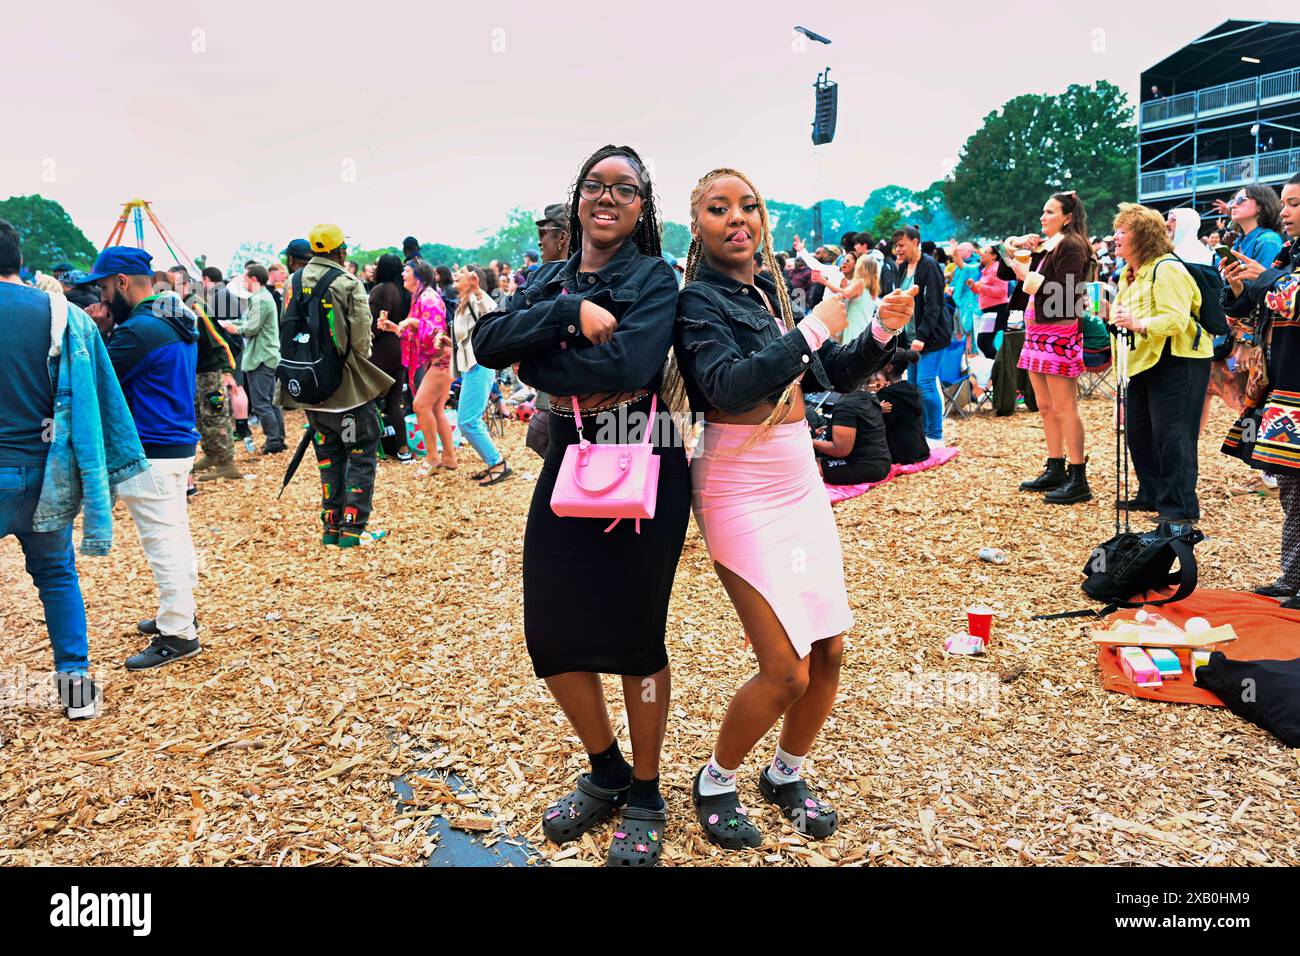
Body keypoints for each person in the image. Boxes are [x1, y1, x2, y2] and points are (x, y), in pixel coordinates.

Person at [672, 168, 915, 851]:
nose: (737, 218)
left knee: (830, 647)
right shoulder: (698, 303)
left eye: (748, 205)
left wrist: (877, 336)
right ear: (699, 226)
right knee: (785, 667)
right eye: (719, 209)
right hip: (736, 485)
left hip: (796, 480)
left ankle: (787, 774)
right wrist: (811, 328)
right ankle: (716, 780)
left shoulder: (763, 292)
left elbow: (828, 372)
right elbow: (727, 382)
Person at [471, 144, 688, 867]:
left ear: (641, 207)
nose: (607, 197)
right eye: (596, 185)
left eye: (624, 189)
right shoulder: (552, 279)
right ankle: (607, 769)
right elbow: (487, 341)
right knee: (552, 635)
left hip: (644, 448)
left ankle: (649, 792)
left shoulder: (656, 277)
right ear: (579, 195)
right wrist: (568, 311)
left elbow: (628, 365)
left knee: (634, 634)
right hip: (571, 453)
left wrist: (538, 353)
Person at [0, 222, 146, 717]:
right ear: (18, 259)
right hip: (48, 473)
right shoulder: (63, 316)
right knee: (57, 577)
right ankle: (77, 689)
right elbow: (101, 393)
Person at [88, 246, 203, 670]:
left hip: (151, 450)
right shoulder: (177, 315)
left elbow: (98, 382)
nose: (100, 297)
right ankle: (180, 610)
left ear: (121, 282)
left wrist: (99, 333)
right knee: (175, 532)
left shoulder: (137, 331)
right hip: (177, 443)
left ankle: (178, 633)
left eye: (102, 286)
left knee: (162, 542)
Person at [281, 224, 395, 547]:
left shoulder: (293, 281)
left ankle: (330, 528)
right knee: (359, 452)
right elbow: (361, 342)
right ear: (339, 251)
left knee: (328, 455)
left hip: (309, 390)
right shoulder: (348, 283)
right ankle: (353, 530)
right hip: (345, 393)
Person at [1221, 172, 1300, 608]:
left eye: (1293, 204)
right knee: (1290, 486)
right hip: (1284, 383)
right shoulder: (1289, 254)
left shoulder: (1279, 259)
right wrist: (1239, 285)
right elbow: (1261, 307)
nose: (1285, 212)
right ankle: (1292, 576)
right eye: (1284, 203)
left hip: (1295, 384)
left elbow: (1289, 298)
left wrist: (1264, 279)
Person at [1109, 203, 1212, 526]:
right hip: (1144, 360)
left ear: (1143, 237)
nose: (1115, 237)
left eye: (1122, 231)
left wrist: (1138, 322)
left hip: (1179, 359)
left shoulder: (1167, 269)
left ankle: (1178, 507)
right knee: (1139, 432)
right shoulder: (1132, 273)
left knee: (1173, 434)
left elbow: (1176, 319)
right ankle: (1151, 493)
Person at [1011, 191, 1096, 504]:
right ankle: (1056, 466)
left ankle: (1078, 476)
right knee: (1045, 405)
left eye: (1050, 212)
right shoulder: (1052, 245)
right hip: (1039, 334)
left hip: (1058, 334)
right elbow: (1009, 257)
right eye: (1043, 211)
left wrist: (1028, 278)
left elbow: (1067, 292)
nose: (1043, 217)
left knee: (1063, 407)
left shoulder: (1072, 246)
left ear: (1068, 216)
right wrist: (1019, 246)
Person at [380, 260, 455, 475]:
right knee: (435, 409)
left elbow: (435, 334)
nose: (403, 273)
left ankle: (432, 458)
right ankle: (449, 457)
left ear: (419, 275)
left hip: (441, 361)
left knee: (421, 406)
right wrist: (394, 327)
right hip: (440, 361)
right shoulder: (420, 297)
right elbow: (416, 337)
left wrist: (412, 322)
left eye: (407, 270)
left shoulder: (428, 297)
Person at [169, 267, 240, 482]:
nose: (172, 290)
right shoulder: (178, 307)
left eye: (177, 286)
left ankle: (227, 463)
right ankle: (211, 455)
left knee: (215, 416)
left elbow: (219, 340)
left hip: (210, 372)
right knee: (201, 418)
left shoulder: (195, 306)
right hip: (196, 373)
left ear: (188, 285)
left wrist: (227, 371)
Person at [450, 265, 510, 485]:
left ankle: (497, 463)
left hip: (479, 366)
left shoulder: (477, 298)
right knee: (469, 419)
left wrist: (477, 291)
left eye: (462, 272)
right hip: (470, 367)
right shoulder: (463, 303)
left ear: (474, 279)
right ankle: (493, 461)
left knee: (467, 421)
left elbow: (493, 312)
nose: (456, 275)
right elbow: (465, 338)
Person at [891, 226, 950, 447]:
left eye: (902, 245)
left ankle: (935, 434)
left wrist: (922, 336)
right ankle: (923, 432)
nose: (898, 249)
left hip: (931, 337)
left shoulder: (930, 266)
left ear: (915, 242)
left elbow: (934, 305)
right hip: (910, 337)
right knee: (914, 386)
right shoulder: (901, 268)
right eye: (896, 245)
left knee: (925, 383)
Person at [221, 264, 285, 454]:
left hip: (261, 358)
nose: (244, 282)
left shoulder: (261, 300)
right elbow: (250, 322)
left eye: (246, 279)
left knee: (261, 403)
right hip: (265, 356)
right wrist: (235, 323)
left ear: (254, 280)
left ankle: (274, 441)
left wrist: (234, 329)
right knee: (271, 402)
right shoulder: (260, 298)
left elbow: (251, 328)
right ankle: (278, 439)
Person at [366, 254, 411, 461]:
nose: (374, 268)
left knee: (369, 399)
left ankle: (370, 448)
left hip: (382, 350)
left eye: (377, 265)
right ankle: (403, 450)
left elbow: (376, 324)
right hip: (401, 348)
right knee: (394, 403)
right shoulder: (405, 291)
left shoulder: (382, 290)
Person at [813, 382, 893, 485]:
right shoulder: (868, 396)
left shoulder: (847, 406)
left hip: (864, 465)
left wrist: (810, 442)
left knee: (806, 468)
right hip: (881, 461)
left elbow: (841, 450)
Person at [874, 350, 929, 465]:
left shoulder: (886, 395)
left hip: (901, 455)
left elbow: (877, 425)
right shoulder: (911, 389)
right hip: (921, 450)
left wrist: (874, 407)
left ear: (889, 367)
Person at [813, 251, 880, 345]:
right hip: (864, 328)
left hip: (854, 329)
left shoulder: (860, 283)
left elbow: (845, 294)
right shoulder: (873, 288)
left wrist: (825, 282)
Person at [1212, 184, 1285, 267]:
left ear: (1260, 205)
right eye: (1233, 201)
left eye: (1240, 200)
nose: (1232, 205)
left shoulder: (1268, 241)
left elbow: (1267, 278)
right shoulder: (1240, 241)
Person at [970, 244, 1011, 360]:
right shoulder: (986, 270)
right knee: (984, 342)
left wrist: (980, 286)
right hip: (990, 311)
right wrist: (974, 286)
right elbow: (982, 290)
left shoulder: (997, 268)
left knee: (983, 342)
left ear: (993, 256)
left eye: (985, 252)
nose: (981, 254)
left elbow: (1001, 291)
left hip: (997, 310)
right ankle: (998, 367)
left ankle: (998, 366)